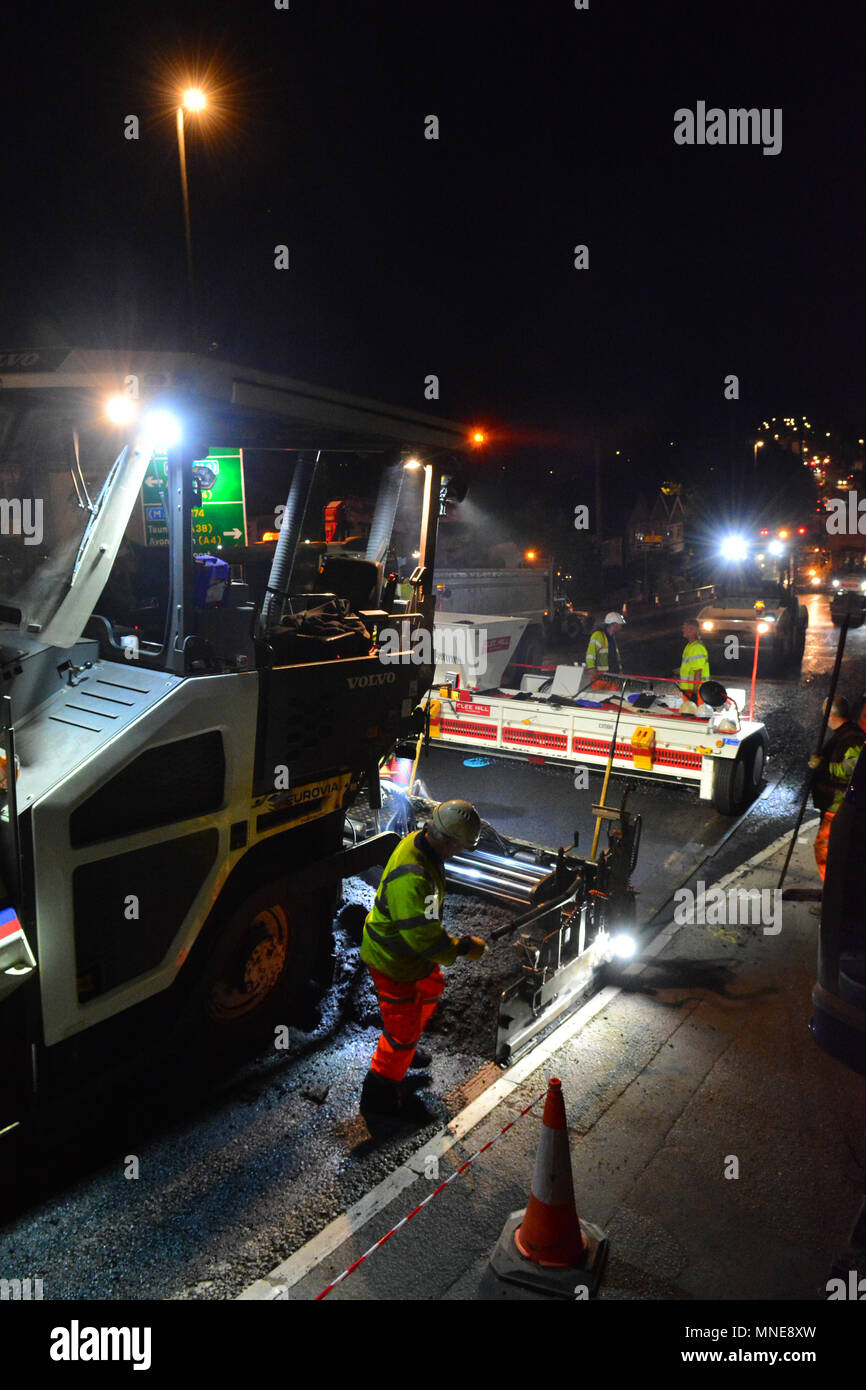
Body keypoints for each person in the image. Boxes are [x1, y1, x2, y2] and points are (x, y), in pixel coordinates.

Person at [359, 799, 487, 1124]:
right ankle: (379, 1096)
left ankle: (404, 1055)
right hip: (393, 961)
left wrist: (445, 945)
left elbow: (425, 924)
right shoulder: (414, 877)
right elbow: (423, 937)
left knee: (432, 985)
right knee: (400, 1033)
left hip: (410, 955)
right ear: (447, 839)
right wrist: (460, 947)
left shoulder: (422, 845)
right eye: (460, 846)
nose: (460, 852)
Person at [809, 696, 866, 881]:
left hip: (838, 806)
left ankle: (832, 899)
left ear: (828, 713)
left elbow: (853, 769)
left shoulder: (852, 738)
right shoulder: (844, 734)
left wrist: (823, 766)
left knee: (826, 851)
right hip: (833, 804)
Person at [679, 619, 710, 701]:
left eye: (685, 628)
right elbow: (688, 668)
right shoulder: (690, 646)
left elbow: (698, 672)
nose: (683, 630)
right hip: (688, 691)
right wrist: (673, 672)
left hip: (696, 692)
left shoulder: (696, 648)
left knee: (694, 713)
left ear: (692, 630)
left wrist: (695, 694)